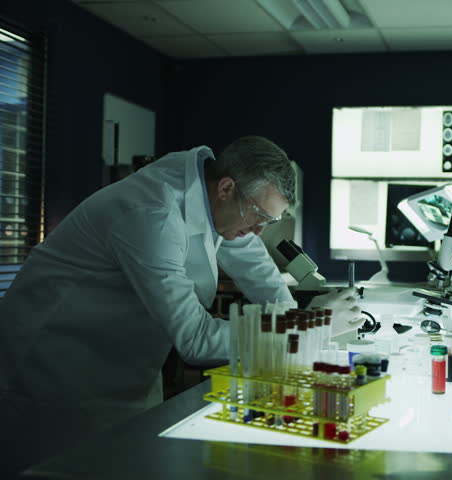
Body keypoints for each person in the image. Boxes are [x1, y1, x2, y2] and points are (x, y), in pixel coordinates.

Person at [0, 135, 361, 474]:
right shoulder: (151, 214)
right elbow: (196, 340)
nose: (260, 231)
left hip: (118, 367)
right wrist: (313, 325)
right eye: (260, 217)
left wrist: (298, 321)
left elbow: (256, 267)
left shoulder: (216, 200)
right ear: (227, 188)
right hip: (50, 369)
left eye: (269, 221)